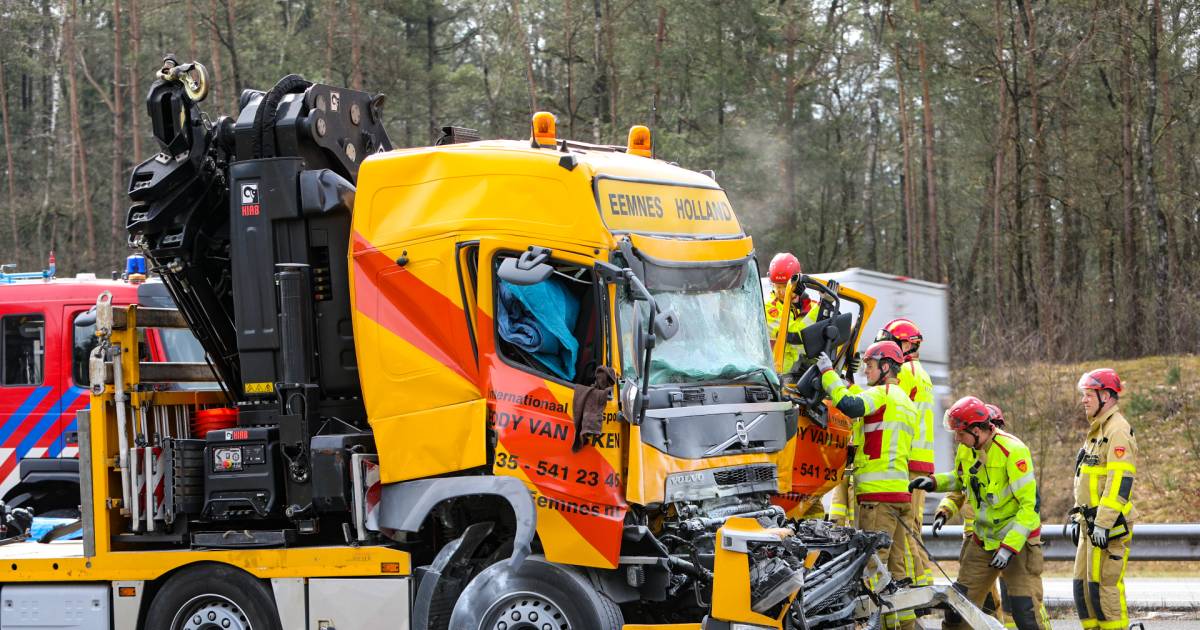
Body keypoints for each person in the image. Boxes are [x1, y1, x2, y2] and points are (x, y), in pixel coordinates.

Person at [910, 396, 1047, 630]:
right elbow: (960, 478)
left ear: (976, 430)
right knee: (958, 608)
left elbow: (1029, 509)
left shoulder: (1013, 451)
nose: (957, 438)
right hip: (982, 540)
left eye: (960, 433)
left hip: (1017, 544)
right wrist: (933, 483)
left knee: (1026, 613)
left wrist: (1008, 548)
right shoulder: (968, 448)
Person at [818, 340, 918, 630]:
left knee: (873, 571)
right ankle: (905, 627)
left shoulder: (882, 393)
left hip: (877, 498)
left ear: (886, 367)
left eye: (871, 367)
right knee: (896, 571)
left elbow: (851, 406)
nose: (867, 373)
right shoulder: (904, 401)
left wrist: (827, 375)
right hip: (900, 495)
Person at [1071, 368, 1137, 630]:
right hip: (1090, 527)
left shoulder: (1118, 430)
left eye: (1089, 394)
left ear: (1107, 396)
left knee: (1104, 593)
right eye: (1084, 394)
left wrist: (1103, 523)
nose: (1084, 400)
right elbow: (1087, 481)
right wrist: (1079, 517)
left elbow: (1119, 483)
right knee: (1084, 593)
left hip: (1107, 528)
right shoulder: (1097, 431)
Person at [877, 318, 934, 587]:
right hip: (919, 461)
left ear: (907, 345)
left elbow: (885, 401)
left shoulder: (907, 372)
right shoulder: (922, 372)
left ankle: (916, 587)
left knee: (906, 530)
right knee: (914, 527)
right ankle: (921, 582)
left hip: (908, 459)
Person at [764, 252, 816, 374]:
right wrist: (822, 307)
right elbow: (794, 336)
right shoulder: (769, 309)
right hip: (777, 375)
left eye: (786, 286)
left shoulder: (811, 306)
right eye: (778, 287)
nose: (782, 292)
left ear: (799, 283)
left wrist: (848, 360)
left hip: (802, 374)